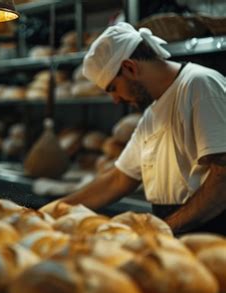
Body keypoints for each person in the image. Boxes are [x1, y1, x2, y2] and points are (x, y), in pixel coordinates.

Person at [40, 22, 226, 235]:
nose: (116, 100)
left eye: (113, 88)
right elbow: (119, 179)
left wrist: (163, 230)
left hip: (211, 229)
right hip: (176, 226)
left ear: (130, 67)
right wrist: (55, 210)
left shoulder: (199, 86)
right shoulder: (151, 114)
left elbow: (223, 178)